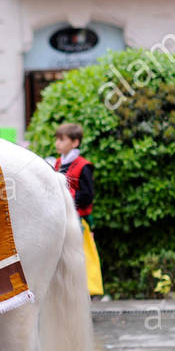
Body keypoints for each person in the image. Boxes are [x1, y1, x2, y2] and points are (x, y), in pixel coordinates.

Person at [53, 123, 103, 297]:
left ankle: (86, 292)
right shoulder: (57, 163)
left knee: (82, 258)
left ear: (74, 143)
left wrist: (67, 200)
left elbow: (87, 195)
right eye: (56, 139)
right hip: (62, 221)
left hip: (79, 221)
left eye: (61, 139)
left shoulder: (83, 166)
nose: (57, 143)